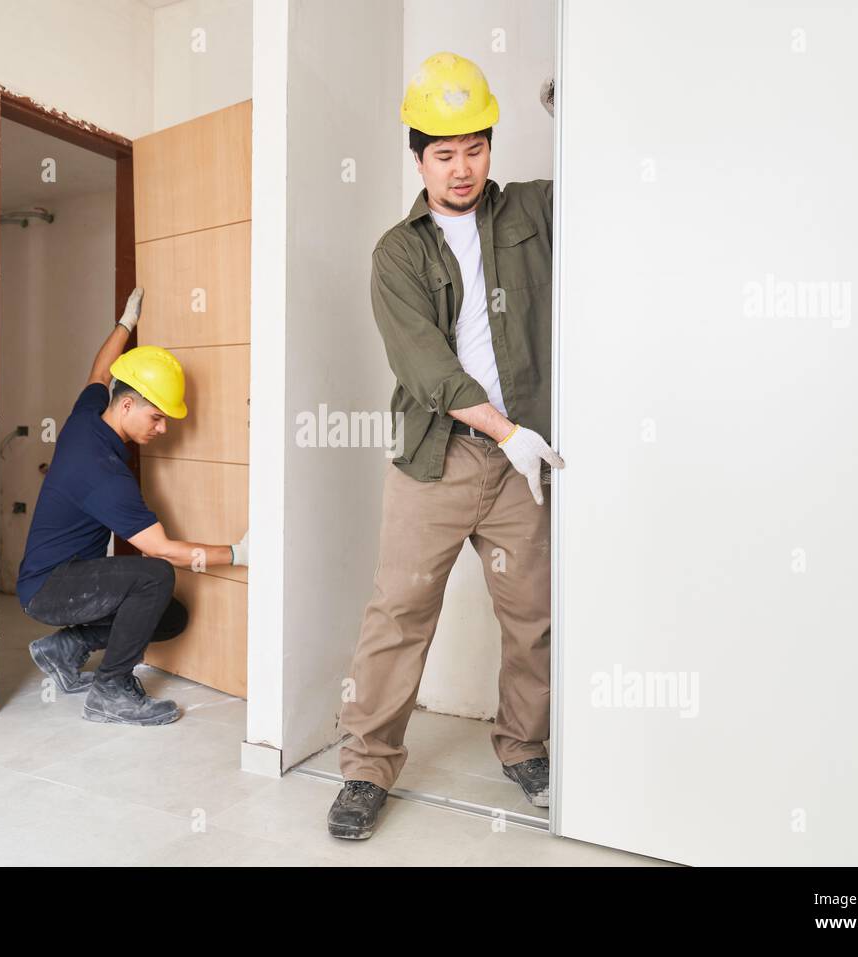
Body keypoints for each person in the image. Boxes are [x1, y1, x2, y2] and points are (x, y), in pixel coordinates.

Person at [328, 53, 562, 839]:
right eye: (443, 152)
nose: (462, 169)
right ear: (418, 155)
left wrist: (583, 109)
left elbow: (614, 190)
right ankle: (365, 766)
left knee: (532, 615)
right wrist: (505, 431)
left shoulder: (535, 213)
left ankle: (526, 748)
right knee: (398, 613)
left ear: (492, 146)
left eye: (475, 148)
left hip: (522, 464)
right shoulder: (398, 253)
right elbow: (424, 364)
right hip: (441, 456)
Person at [16, 288, 249, 726]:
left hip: (56, 579)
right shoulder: (103, 472)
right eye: (157, 417)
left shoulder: (88, 416)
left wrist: (126, 322)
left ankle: (66, 649)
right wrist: (238, 554)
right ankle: (111, 691)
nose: (162, 428)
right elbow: (164, 550)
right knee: (155, 574)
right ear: (127, 405)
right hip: (48, 588)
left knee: (169, 615)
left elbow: (99, 371)